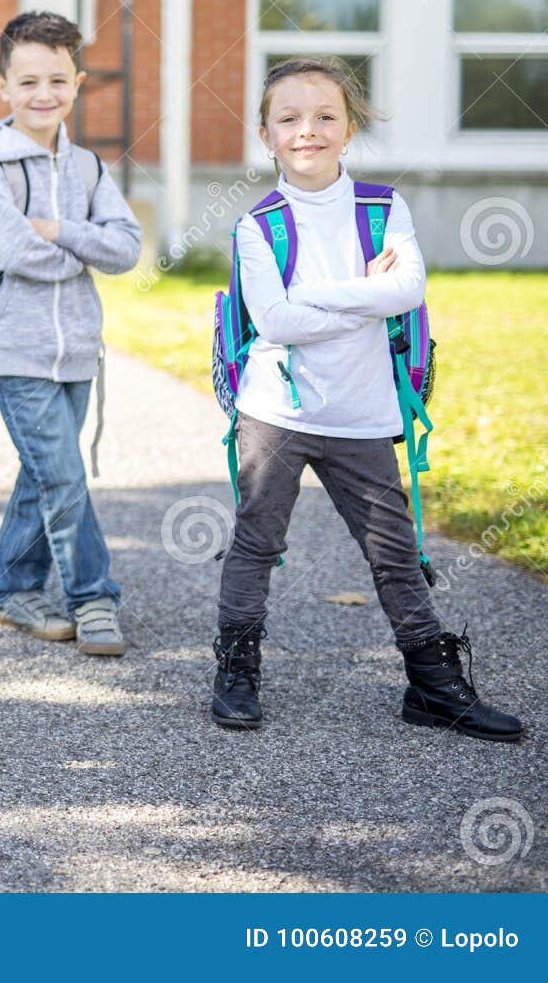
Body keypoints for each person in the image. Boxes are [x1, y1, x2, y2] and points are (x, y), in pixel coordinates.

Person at [212, 55, 521, 742]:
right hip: (278, 414)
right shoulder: (257, 226)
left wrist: (318, 297)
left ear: (349, 127)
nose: (308, 131)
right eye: (289, 118)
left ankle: (434, 685)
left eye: (325, 116)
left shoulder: (385, 207)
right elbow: (276, 323)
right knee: (256, 543)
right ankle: (236, 669)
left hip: (363, 415)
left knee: (394, 552)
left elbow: (405, 290)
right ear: (266, 134)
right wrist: (364, 297)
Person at [0, 11, 141, 656]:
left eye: (57, 79)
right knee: (62, 474)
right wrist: (83, 247)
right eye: (28, 81)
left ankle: (10, 590)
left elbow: (128, 247)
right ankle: (94, 600)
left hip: (78, 347)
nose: (43, 94)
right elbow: (16, 252)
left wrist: (61, 231)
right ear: (2, 85)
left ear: (78, 83)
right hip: (12, 345)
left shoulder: (86, 167)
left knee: (42, 472)